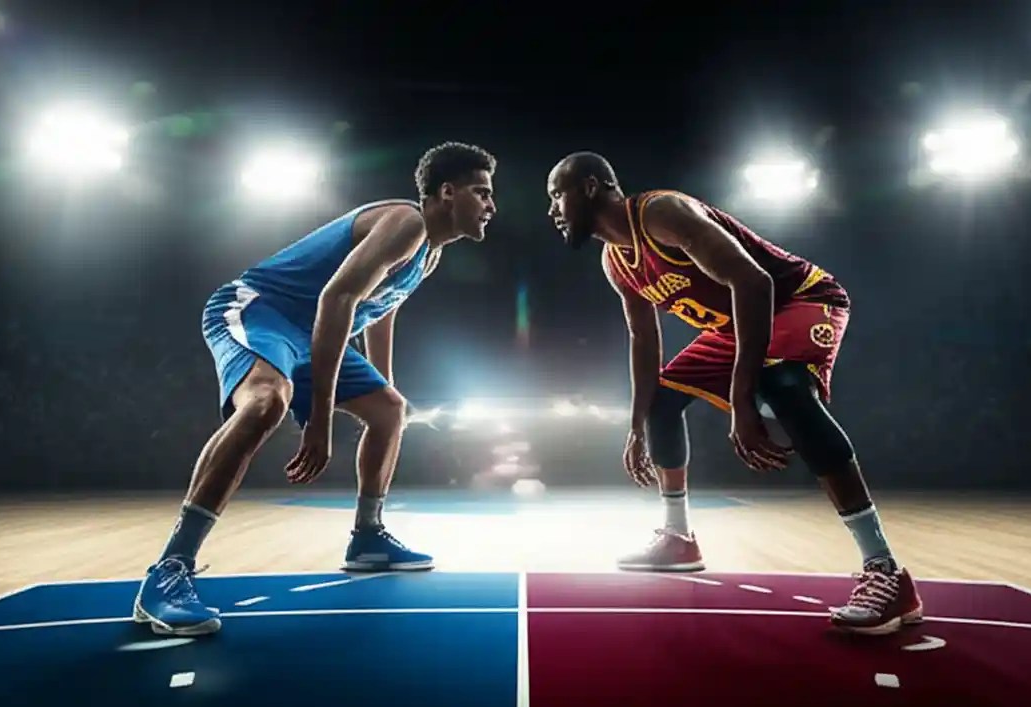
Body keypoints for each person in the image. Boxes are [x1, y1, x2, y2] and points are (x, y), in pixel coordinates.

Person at [544, 151, 922, 635]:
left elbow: (754, 281)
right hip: (732, 327)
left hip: (798, 299)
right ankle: (679, 538)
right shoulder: (616, 261)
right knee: (662, 400)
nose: (553, 210)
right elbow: (644, 340)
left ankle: (886, 570)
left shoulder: (661, 213)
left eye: (557, 195)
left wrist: (742, 400)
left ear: (592, 187)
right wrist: (636, 424)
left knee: (783, 386)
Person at [132, 142, 498, 636]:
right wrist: (320, 422)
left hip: (313, 333)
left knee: (391, 413)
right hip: (261, 311)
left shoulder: (426, 255)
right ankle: (171, 569)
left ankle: (368, 538)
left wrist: (383, 386)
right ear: (447, 193)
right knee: (267, 402)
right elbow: (337, 298)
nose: (491, 205)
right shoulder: (406, 222)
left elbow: (379, 309)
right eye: (482, 192)